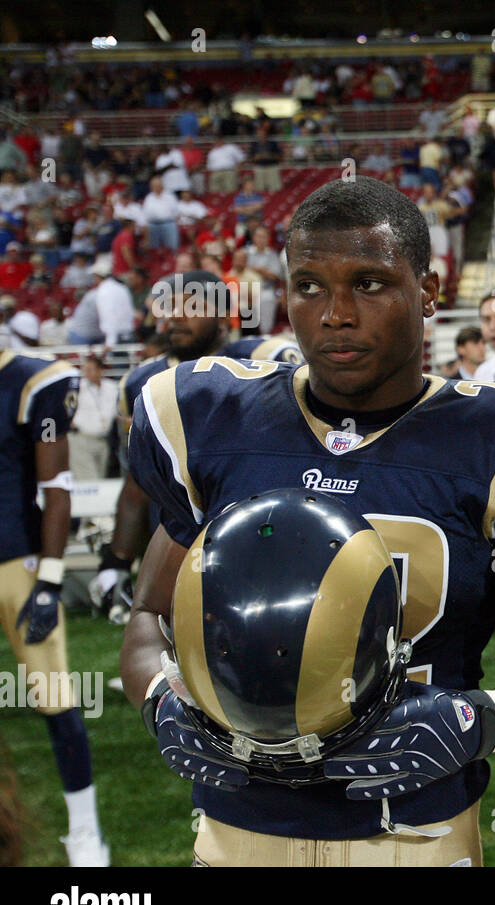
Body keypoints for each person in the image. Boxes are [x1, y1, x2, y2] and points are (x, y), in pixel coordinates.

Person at [119, 177, 495, 866]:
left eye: (370, 284)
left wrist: (482, 720)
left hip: (416, 835)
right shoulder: (207, 417)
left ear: (430, 292)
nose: (335, 314)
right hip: (236, 835)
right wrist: (157, 700)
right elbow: (148, 618)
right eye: (309, 286)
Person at [92, 271, 303, 625]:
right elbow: (139, 483)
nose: (175, 315)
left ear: (224, 314)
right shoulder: (141, 382)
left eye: (191, 305)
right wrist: (116, 558)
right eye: (169, 306)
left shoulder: (269, 356)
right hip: (178, 544)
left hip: (267, 537)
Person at [0, 344, 109, 866]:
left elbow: (56, 487)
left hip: (17, 563)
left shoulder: (31, 381)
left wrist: (49, 580)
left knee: (55, 699)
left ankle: (85, 832)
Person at [68, 350, 117, 480]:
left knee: (100, 479)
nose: (86, 372)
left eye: (90, 369)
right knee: (89, 480)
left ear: (100, 370)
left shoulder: (111, 387)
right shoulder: (78, 387)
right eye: (85, 369)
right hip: (82, 438)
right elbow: (66, 406)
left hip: (103, 439)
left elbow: (114, 410)